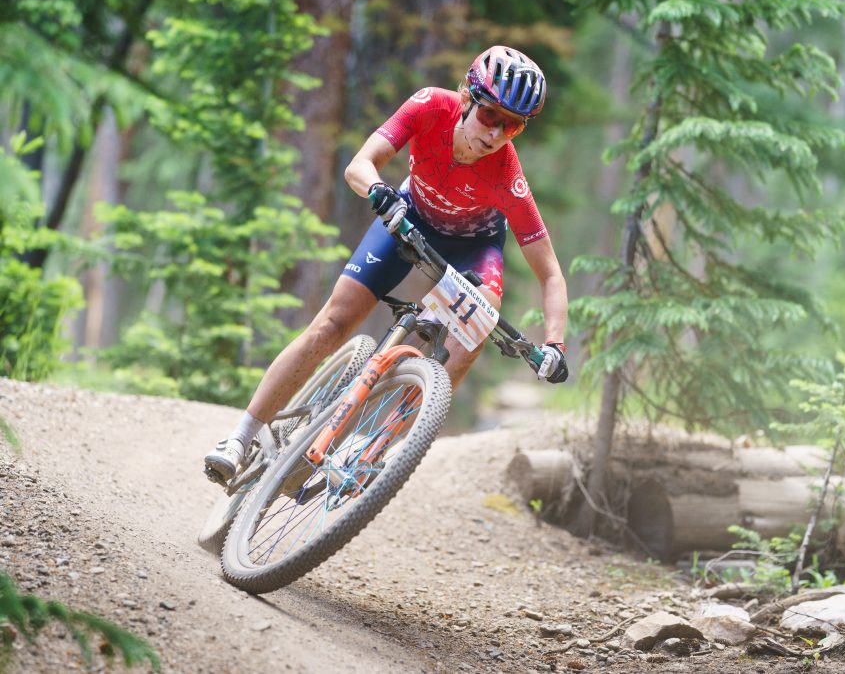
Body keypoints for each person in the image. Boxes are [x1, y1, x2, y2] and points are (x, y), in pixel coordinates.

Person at [204, 46, 570, 483]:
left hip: (474, 247)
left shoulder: (508, 176)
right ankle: (241, 436)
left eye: (512, 126)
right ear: (467, 97)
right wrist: (378, 191)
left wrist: (555, 345)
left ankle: (367, 447)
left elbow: (550, 273)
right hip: (409, 214)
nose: (496, 134)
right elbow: (360, 165)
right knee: (331, 325)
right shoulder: (430, 105)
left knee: (475, 329)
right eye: (492, 115)